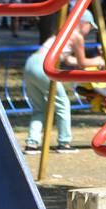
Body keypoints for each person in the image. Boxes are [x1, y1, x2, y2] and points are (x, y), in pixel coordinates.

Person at [22, 9, 101, 152]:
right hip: (43, 65)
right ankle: (64, 143)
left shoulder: (62, 32)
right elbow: (82, 63)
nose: (90, 31)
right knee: (63, 103)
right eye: (91, 27)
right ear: (84, 23)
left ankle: (32, 143)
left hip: (31, 63)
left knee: (40, 109)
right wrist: (100, 61)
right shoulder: (77, 36)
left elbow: (69, 59)